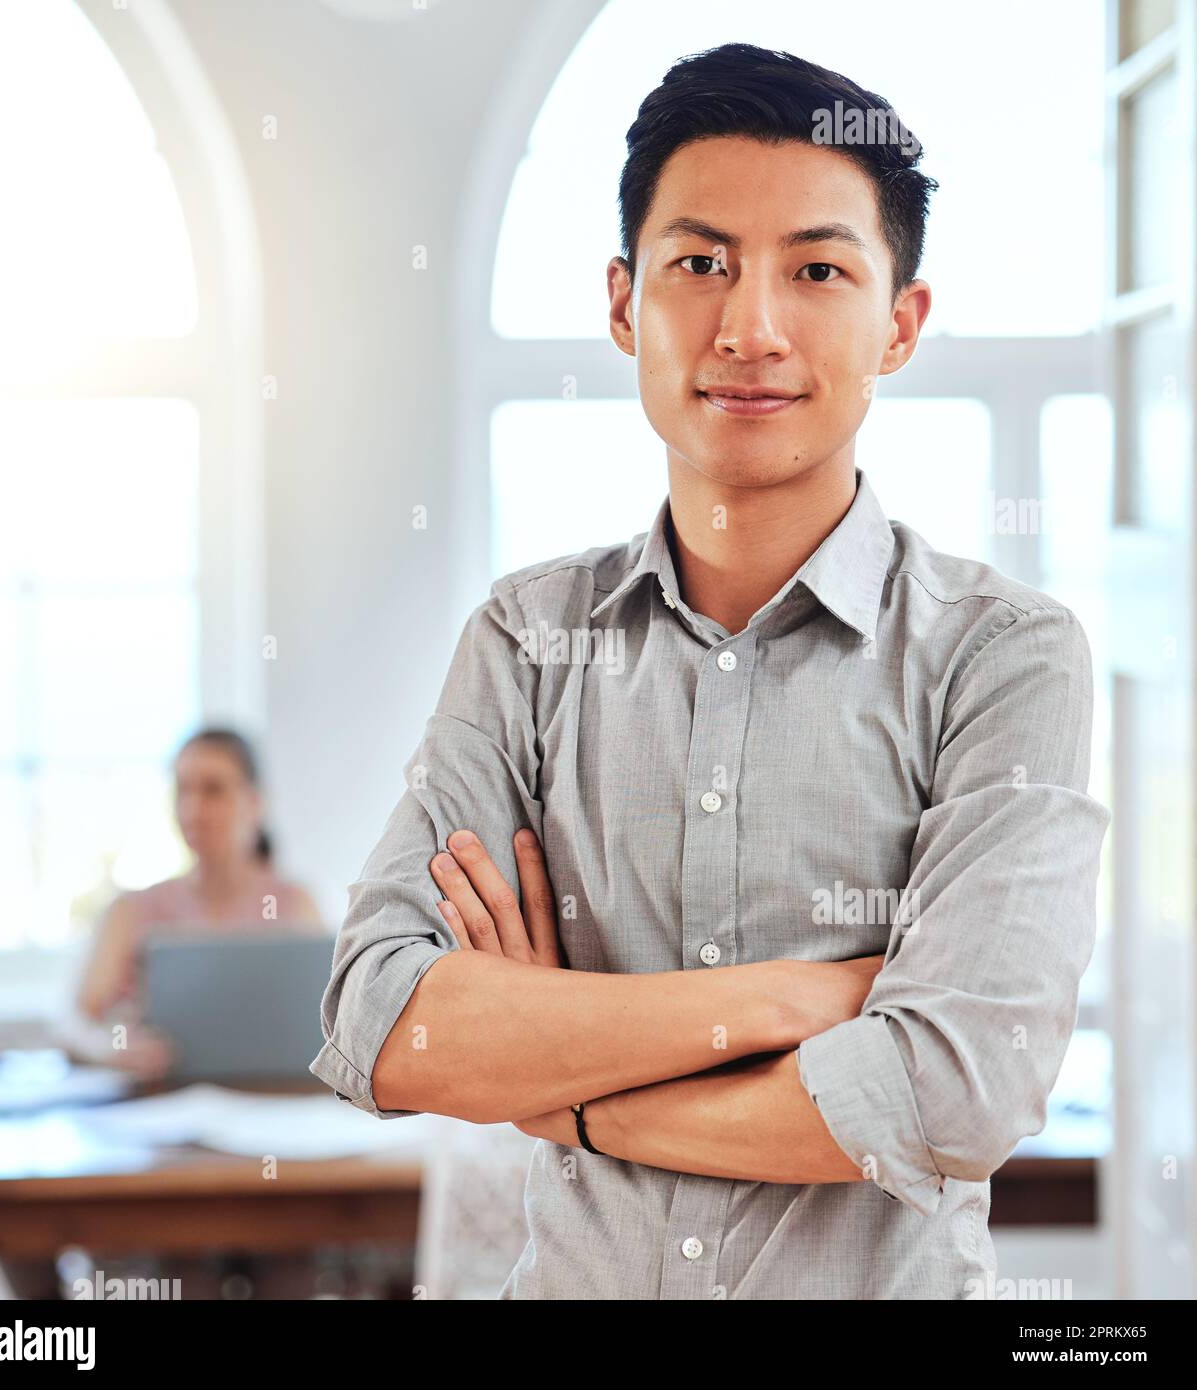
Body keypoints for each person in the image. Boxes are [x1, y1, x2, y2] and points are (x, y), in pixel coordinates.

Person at [310, 44, 1110, 1299]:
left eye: (816, 270)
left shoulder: (1001, 655)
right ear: (623, 304)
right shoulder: (525, 641)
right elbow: (385, 1022)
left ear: (898, 324)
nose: (749, 328)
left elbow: (954, 1090)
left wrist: (564, 1088)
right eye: (699, 265)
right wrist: (796, 999)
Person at [73, 727, 324, 1076]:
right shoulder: (131, 910)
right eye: (183, 791)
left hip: (269, 1095)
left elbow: (324, 1025)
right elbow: (76, 1023)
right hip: (157, 1094)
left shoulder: (295, 904)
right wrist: (113, 1046)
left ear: (255, 801)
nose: (192, 810)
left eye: (213, 790)